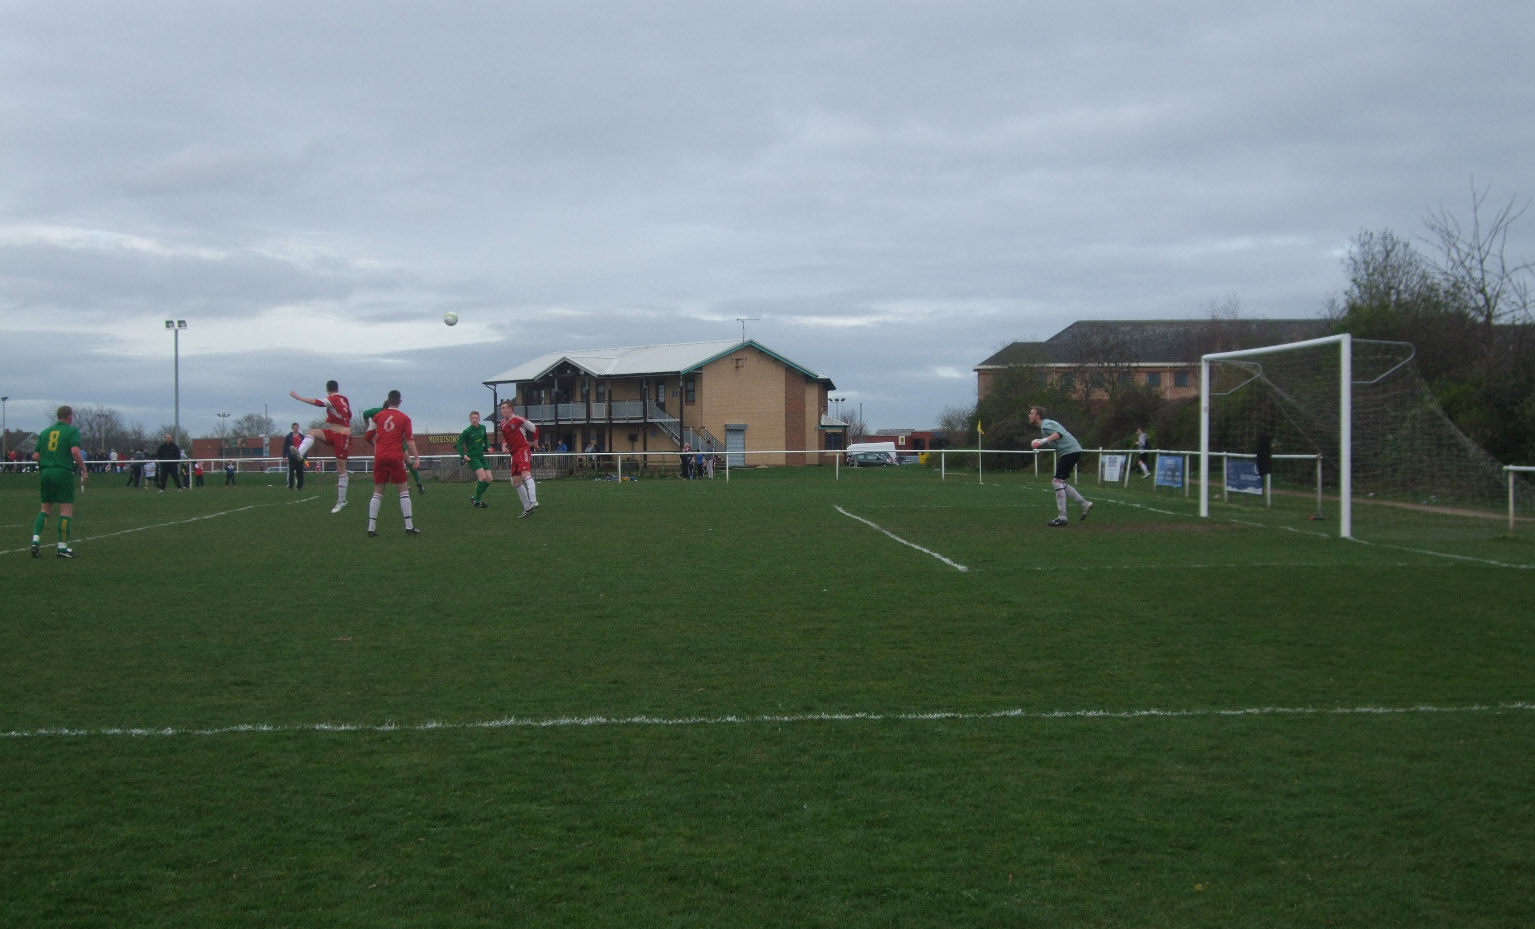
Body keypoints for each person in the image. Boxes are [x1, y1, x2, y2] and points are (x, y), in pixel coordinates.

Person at [289, 380, 354, 514]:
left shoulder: (332, 399)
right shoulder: (344, 399)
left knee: (341, 468)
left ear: (327, 390)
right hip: (334, 433)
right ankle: (300, 453)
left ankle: (342, 501)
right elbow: (349, 415)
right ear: (337, 388)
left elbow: (317, 402)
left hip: (342, 436)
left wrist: (298, 397)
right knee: (312, 432)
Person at [31, 405, 87, 558]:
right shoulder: (71, 431)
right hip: (63, 472)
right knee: (66, 510)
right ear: (70, 416)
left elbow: (36, 456)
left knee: (45, 509)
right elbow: (75, 451)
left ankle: (35, 540)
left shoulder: (45, 432)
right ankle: (62, 548)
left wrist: (48, 463)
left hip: (46, 472)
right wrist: (83, 469)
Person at [364, 389, 421, 537]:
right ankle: (409, 526)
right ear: (400, 402)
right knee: (403, 490)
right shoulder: (405, 418)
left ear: (388, 400)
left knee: (378, 492)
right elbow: (409, 440)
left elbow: (368, 435)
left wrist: (376, 444)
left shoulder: (377, 417)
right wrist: (417, 457)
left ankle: (371, 528)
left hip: (380, 457)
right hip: (396, 458)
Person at [1029, 405, 1094, 527]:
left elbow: (1059, 434)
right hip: (1071, 451)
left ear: (1037, 416)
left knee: (1057, 481)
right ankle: (1084, 504)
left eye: (1031, 413)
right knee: (1060, 482)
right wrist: (1040, 440)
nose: (1029, 415)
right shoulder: (1046, 426)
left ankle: (1063, 517)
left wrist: (1041, 441)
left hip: (1070, 451)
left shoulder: (1046, 424)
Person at [362, 401, 426, 495]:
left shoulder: (385, 414)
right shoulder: (377, 412)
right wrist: (368, 427)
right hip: (386, 443)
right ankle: (407, 486)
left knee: (406, 460)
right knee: (395, 462)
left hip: (395, 442)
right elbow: (365, 414)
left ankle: (418, 483)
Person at [498, 400, 541, 517]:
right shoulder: (502, 423)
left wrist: (536, 443)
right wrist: (504, 446)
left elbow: (535, 429)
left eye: (504, 408)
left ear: (510, 409)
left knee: (526, 474)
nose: (502, 411)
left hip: (523, 449)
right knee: (516, 481)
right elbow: (506, 438)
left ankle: (533, 501)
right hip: (514, 453)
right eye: (501, 408)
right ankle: (527, 508)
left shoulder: (519, 419)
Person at [457, 410, 494, 508]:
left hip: (481, 456)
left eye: (476, 418)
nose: (474, 419)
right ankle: (477, 502)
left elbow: (485, 439)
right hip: (472, 457)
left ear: (479, 419)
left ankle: (475, 498)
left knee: (489, 479)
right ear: (470, 419)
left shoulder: (483, 428)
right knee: (482, 477)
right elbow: (459, 444)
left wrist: (488, 447)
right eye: (472, 418)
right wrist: (463, 455)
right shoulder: (467, 431)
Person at [282, 422, 305, 490]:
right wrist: (284, 456)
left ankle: (299, 486)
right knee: (291, 472)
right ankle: (290, 486)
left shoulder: (302, 436)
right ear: (292, 428)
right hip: (292, 457)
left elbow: (305, 446)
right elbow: (285, 447)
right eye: (294, 427)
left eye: (297, 427)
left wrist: (305, 457)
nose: (296, 428)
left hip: (300, 457)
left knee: (300, 472)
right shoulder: (289, 437)